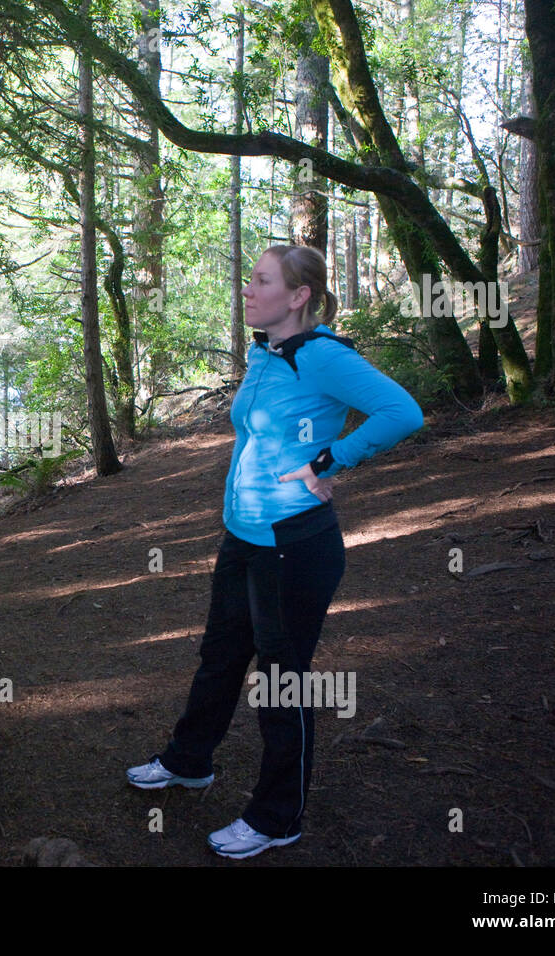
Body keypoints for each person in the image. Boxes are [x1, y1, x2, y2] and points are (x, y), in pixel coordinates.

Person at [126, 244, 424, 859]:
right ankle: (189, 760)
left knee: (282, 683)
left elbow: (403, 412)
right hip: (244, 539)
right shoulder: (265, 353)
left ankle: (277, 816)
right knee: (220, 657)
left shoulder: (320, 356)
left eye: (261, 281)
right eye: (249, 280)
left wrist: (334, 457)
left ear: (298, 297)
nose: (247, 289)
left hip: (294, 547)